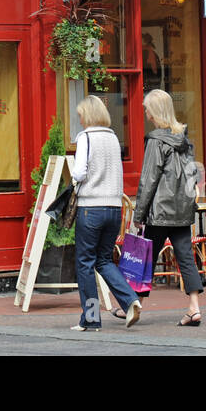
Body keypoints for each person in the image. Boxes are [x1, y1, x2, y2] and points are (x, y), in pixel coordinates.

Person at [70, 95, 141, 331]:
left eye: (81, 115)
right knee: (104, 259)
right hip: (114, 208)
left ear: (87, 115)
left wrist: (73, 176)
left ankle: (90, 319)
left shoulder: (85, 137)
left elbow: (79, 172)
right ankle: (130, 300)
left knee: (85, 263)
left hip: (90, 208)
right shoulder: (113, 137)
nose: (79, 120)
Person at [133, 88, 203, 326]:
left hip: (160, 211)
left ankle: (134, 306)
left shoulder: (156, 140)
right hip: (182, 210)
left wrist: (138, 214)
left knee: (146, 259)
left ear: (154, 111)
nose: (144, 111)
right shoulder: (183, 139)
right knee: (185, 257)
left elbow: (148, 179)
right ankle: (194, 307)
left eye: (146, 107)